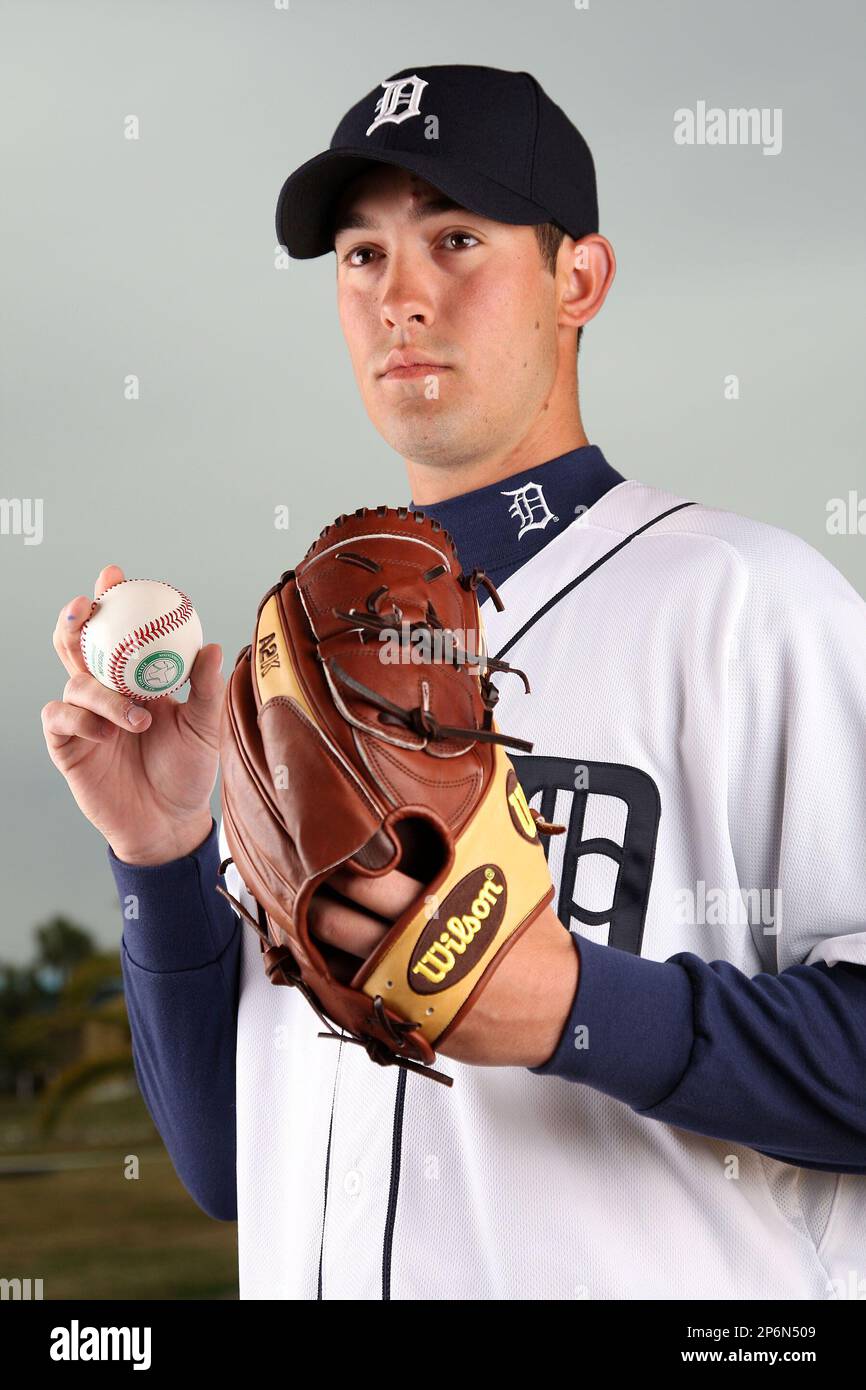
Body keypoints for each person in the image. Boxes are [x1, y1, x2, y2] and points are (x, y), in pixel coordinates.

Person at [42, 64, 866, 1300]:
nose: (401, 297)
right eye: (361, 256)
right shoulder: (294, 668)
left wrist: (571, 1005)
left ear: (576, 278)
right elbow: (234, 1168)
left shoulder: (748, 602)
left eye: (456, 238)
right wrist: (161, 855)